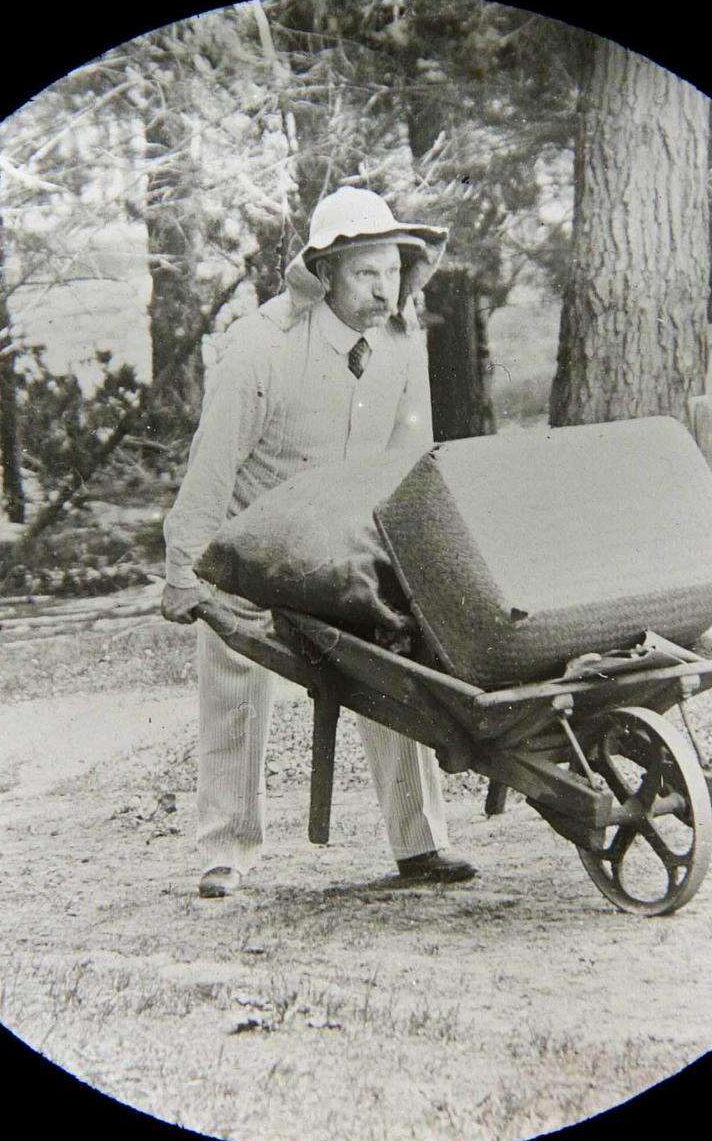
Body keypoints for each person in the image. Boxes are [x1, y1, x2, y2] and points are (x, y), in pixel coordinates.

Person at [161, 187, 478, 899]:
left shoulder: (402, 346)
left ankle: (421, 842)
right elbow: (213, 462)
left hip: (346, 539)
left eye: (393, 271)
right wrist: (188, 569)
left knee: (396, 664)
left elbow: (409, 460)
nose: (382, 288)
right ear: (326, 272)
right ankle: (226, 852)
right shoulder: (262, 345)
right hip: (252, 542)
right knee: (237, 678)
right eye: (366, 272)